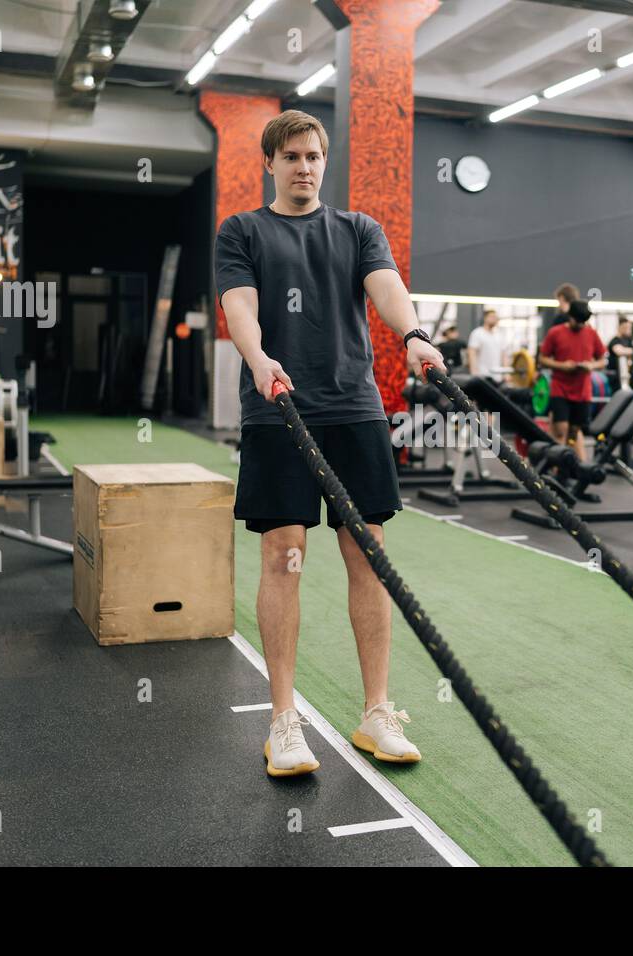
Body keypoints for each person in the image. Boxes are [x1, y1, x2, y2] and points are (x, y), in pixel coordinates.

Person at [216, 109, 445, 779]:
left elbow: (387, 291)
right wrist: (258, 359)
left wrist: (415, 337)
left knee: (367, 556)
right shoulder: (244, 230)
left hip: (353, 409)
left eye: (313, 156)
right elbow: (239, 308)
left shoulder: (357, 230)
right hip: (278, 409)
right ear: (270, 164)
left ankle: (377, 712)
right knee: (285, 554)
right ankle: (283, 721)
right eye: (290, 157)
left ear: (324, 161)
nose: (305, 167)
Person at [539, 299, 606, 462]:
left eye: (584, 322)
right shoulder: (555, 332)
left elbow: (603, 360)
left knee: (574, 433)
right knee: (561, 430)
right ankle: (557, 469)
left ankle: (571, 468)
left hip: (583, 391)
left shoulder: (591, 333)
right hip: (560, 388)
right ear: (570, 317)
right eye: (578, 321)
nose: (581, 325)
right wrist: (562, 366)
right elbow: (542, 359)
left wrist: (591, 366)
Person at [467, 309, 506, 382]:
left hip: (497, 376)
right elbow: (472, 353)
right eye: (492, 316)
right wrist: (474, 372)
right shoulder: (477, 333)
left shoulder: (499, 334)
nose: (494, 319)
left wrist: (506, 373)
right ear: (485, 318)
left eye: (496, 317)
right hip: (482, 375)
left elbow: (503, 354)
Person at [606, 317, 633, 393]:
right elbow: (619, 351)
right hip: (615, 377)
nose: (628, 330)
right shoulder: (614, 341)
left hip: (627, 376)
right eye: (626, 327)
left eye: (629, 328)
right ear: (620, 327)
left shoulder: (629, 340)